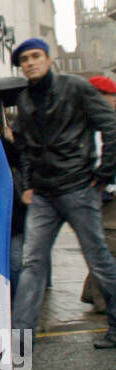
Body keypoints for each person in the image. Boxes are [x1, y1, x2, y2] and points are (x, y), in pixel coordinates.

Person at [10, 38, 116, 350]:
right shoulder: (26, 100)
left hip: (78, 187)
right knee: (32, 263)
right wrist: (29, 184)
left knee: (98, 259)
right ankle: (21, 337)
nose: (30, 63)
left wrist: (102, 174)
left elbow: (110, 127)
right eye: (24, 60)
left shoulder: (76, 88)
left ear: (48, 58)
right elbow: (26, 148)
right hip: (44, 193)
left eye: (35, 56)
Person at [80, 74, 116, 311]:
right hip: (100, 193)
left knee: (104, 246)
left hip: (106, 192)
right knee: (106, 246)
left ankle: (94, 294)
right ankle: (103, 301)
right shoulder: (88, 124)